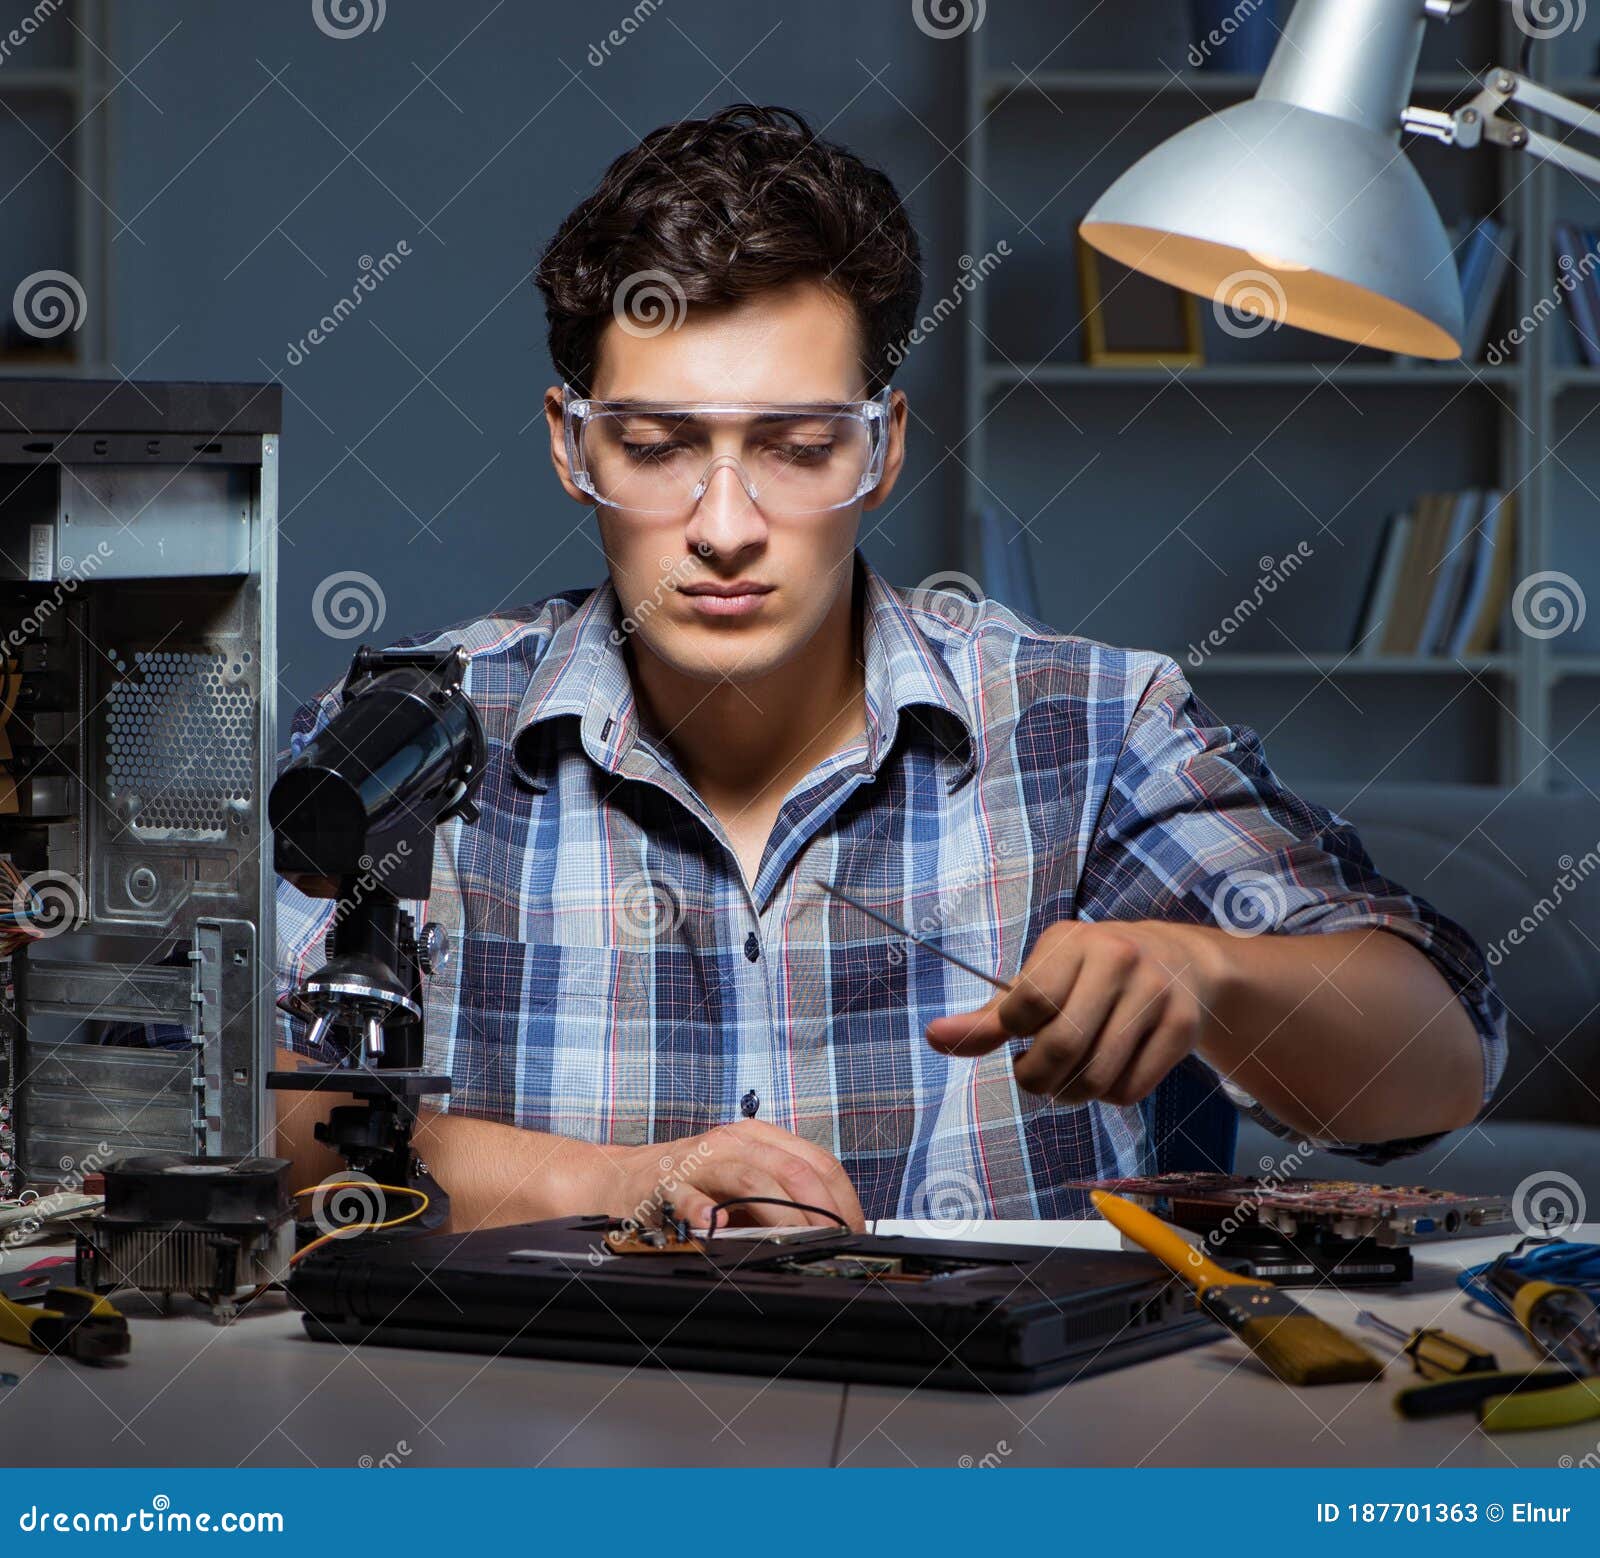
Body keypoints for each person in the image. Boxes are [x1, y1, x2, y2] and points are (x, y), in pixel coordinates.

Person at [274, 104, 1504, 1236]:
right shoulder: (408, 729)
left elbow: (1440, 1060)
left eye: (798, 447)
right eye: (654, 446)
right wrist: (623, 1185)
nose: (723, 523)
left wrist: (1209, 968)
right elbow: (222, 1112)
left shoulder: (1084, 725)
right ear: (571, 446)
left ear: (882, 447)